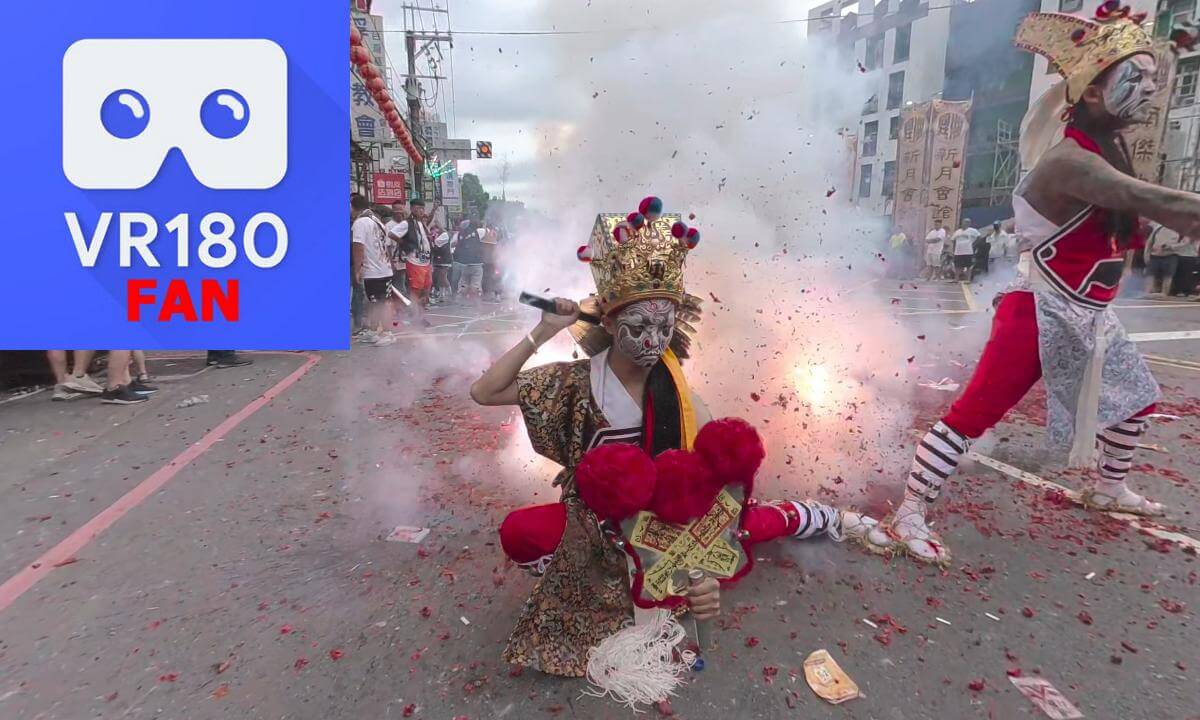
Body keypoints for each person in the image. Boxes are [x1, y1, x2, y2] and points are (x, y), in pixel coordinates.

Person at [470, 197, 873, 677]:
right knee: (520, 533)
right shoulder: (579, 382)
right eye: (638, 327)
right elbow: (485, 391)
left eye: (665, 326)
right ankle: (607, 578)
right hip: (598, 527)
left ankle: (820, 516)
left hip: (667, 520)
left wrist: (700, 556)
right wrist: (544, 332)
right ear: (612, 322)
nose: (652, 341)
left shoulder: (679, 392)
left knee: (749, 528)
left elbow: (708, 492)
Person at [860, 7, 1200, 566]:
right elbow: (1152, 201)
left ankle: (1107, 485)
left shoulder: (1113, 148)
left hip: (1090, 312)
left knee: (1136, 400)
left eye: (1150, 78)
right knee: (973, 416)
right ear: (1091, 94)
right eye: (1132, 78)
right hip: (1038, 311)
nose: (1147, 90)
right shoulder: (1071, 160)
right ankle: (909, 510)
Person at [350, 193, 397, 346]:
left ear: (352, 206)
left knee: (380, 303)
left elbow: (358, 246)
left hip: (374, 270)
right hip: (383, 268)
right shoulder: (376, 220)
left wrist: (357, 269)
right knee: (375, 302)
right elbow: (387, 246)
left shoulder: (360, 222)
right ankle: (373, 330)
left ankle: (387, 332)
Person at [391, 198, 434, 309]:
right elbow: (392, 234)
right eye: (418, 208)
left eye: (422, 208)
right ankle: (416, 315)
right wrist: (405, 244)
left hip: (426, 261)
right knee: (416, 290)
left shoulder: (421, 223)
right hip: (415, 261)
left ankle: (420, 313)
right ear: (412, 209)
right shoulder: (407, 223)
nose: (421, 211)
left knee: (427, 288)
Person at [1143, 222, 1188, 298]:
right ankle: (1147, 292)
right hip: (1155, 255)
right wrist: (1146, 255)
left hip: (1170, 255)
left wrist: (1171, 247)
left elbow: (1185, 243)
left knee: (1168, 275)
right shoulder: (1158, 228)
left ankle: (1164, 293)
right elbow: (1149, 242)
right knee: (1150, 274)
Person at [452, 217, 486, 306]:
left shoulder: (459, 234)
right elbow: (487, 231)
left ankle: (463, 301)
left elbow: (453, 243)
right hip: (477, 263)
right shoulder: (479, 231)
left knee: (464, 283)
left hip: (464, 263)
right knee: (475, 284)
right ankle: (472, 301)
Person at [951, 218, 980, 282]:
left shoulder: (972, 230)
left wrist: (974, 245)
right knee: (957, 266)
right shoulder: (958, 231)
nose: (965, 223)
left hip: (968, 251)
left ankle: (968, 279)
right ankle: (956, 279)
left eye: (967, 222)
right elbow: (953, 240)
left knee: (968, 266)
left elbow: (978, 237)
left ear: (969, 224)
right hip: (958, 251)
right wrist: (954, 250)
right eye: (964, 222)